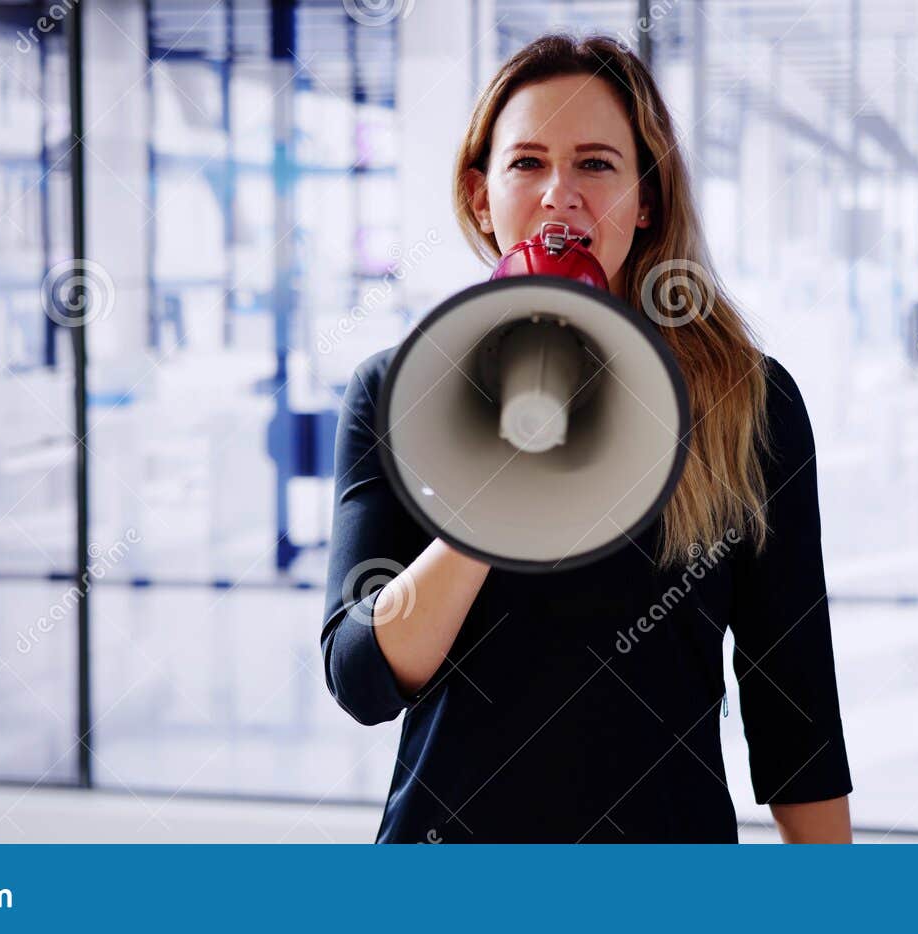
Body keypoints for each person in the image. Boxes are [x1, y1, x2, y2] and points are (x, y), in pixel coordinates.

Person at [320, 33, 852, 843]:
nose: (558, 195)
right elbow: (362, 678)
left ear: (646, 201)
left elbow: (795, 706)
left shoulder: (747, 402)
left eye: (596, 164)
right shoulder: (396, 392)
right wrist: (500, 480)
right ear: (479, 196)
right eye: (527, 163)